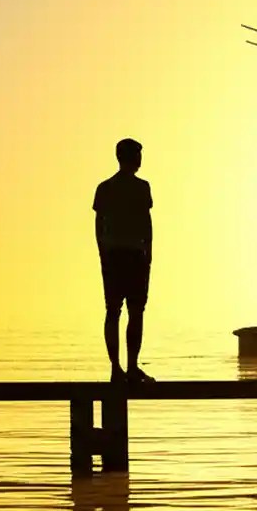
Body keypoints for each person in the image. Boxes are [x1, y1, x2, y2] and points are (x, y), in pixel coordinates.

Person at [94, 138, 155, 383]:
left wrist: (103, 252)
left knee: (118, 310)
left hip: (117, 256)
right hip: (130, 256)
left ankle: (121, 368)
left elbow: (99, 227)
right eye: (138, 155)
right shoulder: (138, 188)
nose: (140, 159)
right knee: (130, 311)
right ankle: (126, 367)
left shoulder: (107, 188)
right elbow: (146, 225)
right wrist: (148, 254)